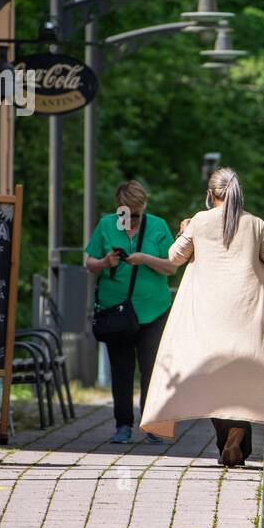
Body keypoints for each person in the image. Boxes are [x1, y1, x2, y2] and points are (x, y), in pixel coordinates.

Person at [139, 167, 264, 464]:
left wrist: (184, 231)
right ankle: (238, 433)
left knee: (215, 381)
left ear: (210, 195)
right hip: (247, 310)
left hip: (208, 313)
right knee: (242, 379)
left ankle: (228, 437)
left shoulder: (200, 221)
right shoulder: (255, 224)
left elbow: (174, 258)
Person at [84, 180, 180, 444]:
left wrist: (145, 258)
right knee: (121, 369)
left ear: (143, 206)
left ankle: (150, 424)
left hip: (153, 309)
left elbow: (172, 267)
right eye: (127, 213)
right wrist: (105, 262)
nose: (132, 218)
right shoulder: (107, 225)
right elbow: (89, 262)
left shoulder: (158, 226)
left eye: (136, 213)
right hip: (116, 310)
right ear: (119, 208)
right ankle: (123, 425)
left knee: (151, 368)